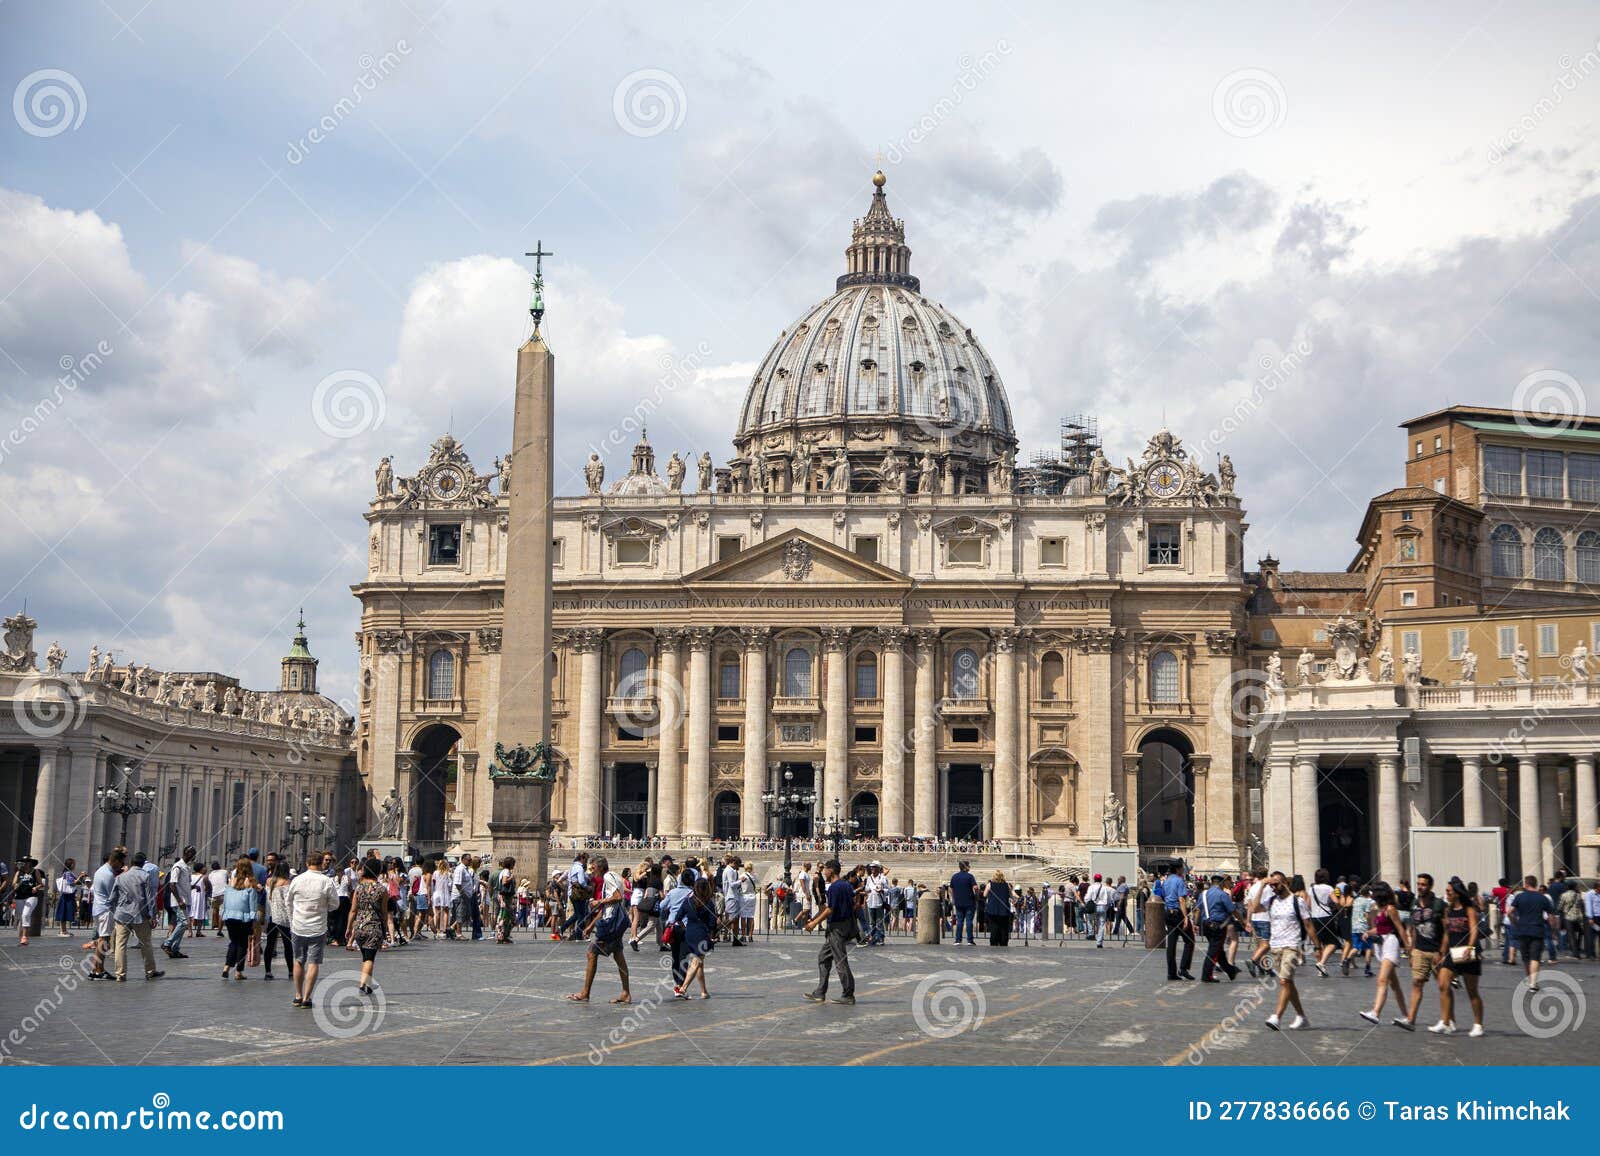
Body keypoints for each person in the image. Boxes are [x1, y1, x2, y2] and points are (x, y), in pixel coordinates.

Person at [1255, 870, 1312, 1030]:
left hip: (1292, 945)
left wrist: (1318, 946)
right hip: (1276, 945)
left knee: (1284, 981)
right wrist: (1261, 886)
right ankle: (1302, 1016)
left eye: (1276, 884)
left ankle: (1276, 1017)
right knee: (1288, 983)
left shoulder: (1297, 901)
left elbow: (1308, 924)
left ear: (1285, 883)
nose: (1274, 887)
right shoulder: (1271, 900)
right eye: (1271, 885)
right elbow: (1255, 908)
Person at [568, 856, 630, 1003]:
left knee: (591, 953)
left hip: (610, 923)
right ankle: (626, 993)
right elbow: (609, 906)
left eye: (593, 868)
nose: (591, 871)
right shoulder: (614, 876)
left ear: (600, 867)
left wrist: (598, 901)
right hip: (615, 921)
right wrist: (590, 925)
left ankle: (585, 992)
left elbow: (617, 897)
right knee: (619, 956)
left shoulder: (608, 877)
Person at [285, 850, 339, 1009]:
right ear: (322, 863)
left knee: (298, 960)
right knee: (314, 962)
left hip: (298, 926)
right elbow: (335, 904)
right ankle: (307, 998)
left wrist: (292, 919)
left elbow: (288, 901)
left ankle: (297, 995)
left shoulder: (297, 880)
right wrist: (324, 907)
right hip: (318, 927)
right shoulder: (326, 881)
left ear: (308, 863)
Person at [1435, 877, 1485, 1037]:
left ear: (1457, 893)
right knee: (1443, 985)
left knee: (1472, 991)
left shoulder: (1468, 909)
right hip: (1452, 952)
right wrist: (1441, 952)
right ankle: (1446, 1022)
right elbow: (1447, 934)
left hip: (1467, 953)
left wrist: (1470, 946)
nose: (1447, 894)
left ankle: (1478, 1024)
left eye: (1449, 891)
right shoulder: (1448, 910)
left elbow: (1474, 930)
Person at [1359, 881, 1412, 1028]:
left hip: (1390, 943)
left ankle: (1375, 1013)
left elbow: (1400, 929)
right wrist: (1368, 932)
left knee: (1381, 980)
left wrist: (1408, 947)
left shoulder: (1390, 909)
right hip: (1381, 945)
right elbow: (1379, 929)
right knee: (1394, 985)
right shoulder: (1379, 909)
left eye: (1373, 892)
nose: (1371, 895)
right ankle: (1407, 1017)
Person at [803, 860, 856, 1005]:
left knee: (840, 960)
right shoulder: (846, 885)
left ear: (831, 871)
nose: (823, 872)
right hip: (845, 925)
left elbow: (830, 909)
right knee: (823, 957)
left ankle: (848, 994)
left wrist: (813, 923)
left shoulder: (834, 887)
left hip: (837, 928)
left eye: (825, 869)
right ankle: (820, 992)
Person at [1398, 873, 1445, 1030]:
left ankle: (1447, 1020)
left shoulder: (1438, 904)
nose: (1420, 887)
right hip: (1419, 949)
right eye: (1418, 884)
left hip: (1436, 950)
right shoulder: (1414, 903)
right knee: (1417, 983)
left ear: (1430, 886)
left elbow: (1446, 930)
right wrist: (1410, 950)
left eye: (1423, 884)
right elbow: (1412, 928)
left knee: (1443, 986)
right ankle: (1411, 1019)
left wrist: (1442, 951)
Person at [109, 852, 164, 981]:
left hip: (122, 915)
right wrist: (153, 915)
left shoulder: (120, 877)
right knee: (146, 943)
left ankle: (120, 974)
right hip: (141, 915)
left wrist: (116, 909)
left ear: (131, 863)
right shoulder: (145, 876)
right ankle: (150, 971)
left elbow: (112, 898)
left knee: (120, 944)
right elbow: (150, 899)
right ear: (143, 864)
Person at [344, 859, 394, 995]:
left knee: (365, 956)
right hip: (374, 926)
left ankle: (367, 982)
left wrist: (349, 928)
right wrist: (384, 930)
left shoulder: (359, 888)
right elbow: (384, 913)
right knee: (369, 958)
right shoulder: (382, 889)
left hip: (359, 926)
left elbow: (353, 910)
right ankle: (363, 984)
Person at [1507, 874, 1554, 992]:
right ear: (1535, 884)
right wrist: (1553, 929)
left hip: (1522, 930)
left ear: (1526, 884)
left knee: (1526, 958)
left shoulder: (1519, 897)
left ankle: (1529, 979)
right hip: (1537, 930)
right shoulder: (1543, 898)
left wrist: (1515, 922)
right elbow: (1550, 916)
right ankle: (1533, 983)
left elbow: (1509, 912)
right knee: (1535, 957)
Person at [674, 874, 717, 1000]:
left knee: (699, 963)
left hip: (689, 932)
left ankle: (704, 991)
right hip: (702, 934)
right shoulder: (709, 903)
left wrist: (684, 927)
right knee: (697, 961)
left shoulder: (687, 901)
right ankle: (683, 988)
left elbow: (678, 918)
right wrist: (712, 936)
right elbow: (712, 923)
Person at [220, 857, 260, 981]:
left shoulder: (232, 881)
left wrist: (224, 913)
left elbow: (226, 899)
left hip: (230, 916)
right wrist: (254, 920)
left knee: (233, 942)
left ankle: (226, 967)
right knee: (242, 944)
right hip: (244, 917)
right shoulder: (250, 882)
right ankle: (238, 972)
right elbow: (252, 903)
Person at [1156, 863, 1195, 980]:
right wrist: (1186, 917)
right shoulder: (1179, 881)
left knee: (1171, 944)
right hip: (1178, 913)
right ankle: (1183, 968)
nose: (1183, 870)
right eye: (1182, 868)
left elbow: (1163, 896)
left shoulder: (1166, 881)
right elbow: (1181, 899)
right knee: (1189, 940)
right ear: (1178, 869)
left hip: (1168, 913)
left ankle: (1171, 972)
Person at [1198, 874, 1240, 981]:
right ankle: (1206, 975)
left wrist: (1194, 923)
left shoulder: (1203, 894)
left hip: (1205, 925)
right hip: (1218, 926)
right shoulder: (1222, 895)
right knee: (1213, 951)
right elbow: (1233, 910)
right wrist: (1243, 921)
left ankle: (1230, 971)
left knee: (1219, 951)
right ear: (1221, 883)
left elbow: (1198, 910)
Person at [86, 850, 120, 979]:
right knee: (104, 940)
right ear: (115, 861)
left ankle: (97, 969)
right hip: (106, 909)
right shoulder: (108, 874)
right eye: (120, 863)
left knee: (101, 939)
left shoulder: (100, 871)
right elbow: (113, 895)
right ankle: (97, 970)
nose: (120, 866)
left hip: (98, 908)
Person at [1306, 868, 1340, 977]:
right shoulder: (1329, 888)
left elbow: (1307, 905)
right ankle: (1321, 963)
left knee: (1318, 944)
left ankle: (1321, 970)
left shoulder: (1311, 889)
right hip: (1326, 917)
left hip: (1314, 918)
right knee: (1333, 943)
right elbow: (1336, 901)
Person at [161, 846, 194, 959]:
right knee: (184, 923)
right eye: (192, 854)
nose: (193, 856)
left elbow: (184, 884)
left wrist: (192, 887)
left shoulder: (186, 868)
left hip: (186, 900)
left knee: (184, 926)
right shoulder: (177, 866)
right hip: (179, 901)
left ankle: (175, 950)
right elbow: (172, 885)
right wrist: (179, 900)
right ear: (187, 853)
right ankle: (167, 943)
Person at [263, 860, 294, 980]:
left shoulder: (269, 881)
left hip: (271, 917)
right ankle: (291, 971)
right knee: (288, 945)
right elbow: (288, 903)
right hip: (283, 918)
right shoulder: (287, 882)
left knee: (270, 945)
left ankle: (268, 971)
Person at [11, 858, 44, 945]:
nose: (24, 864)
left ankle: (24, 937)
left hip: (31, 896)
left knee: (26, 914)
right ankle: (22, 935)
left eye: (26, 862)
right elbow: (13, 883)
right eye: (23, 862)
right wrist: (16, 885)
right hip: (20, 896)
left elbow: (41, 883)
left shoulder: (35, 871)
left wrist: (35, 888)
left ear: (30, 863)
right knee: (20, 915)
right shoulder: (19, 872)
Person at [948, 859, 977, 946]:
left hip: (958, 902)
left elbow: (950, 888)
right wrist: (976, 894)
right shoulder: (970, 876)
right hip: (969, 901)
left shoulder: (954, 876)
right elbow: (975, 887)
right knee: (969, 921)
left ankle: (958, 940)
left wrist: (953, 897)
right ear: (966, 867)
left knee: (959, 921)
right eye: (969, 865)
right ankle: (970, 940)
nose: (970, 867)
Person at [984, 870, 1013, 947]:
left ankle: (994, 941)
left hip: (992, 909)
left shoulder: (990, 884)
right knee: (1003, 927)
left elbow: (984, 894)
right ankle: (1003, 942)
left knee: (994, 927)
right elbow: (1011, 896)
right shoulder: (1007, 885)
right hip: (1004, 909)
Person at [494, 856, 518, 944]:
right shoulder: (506, 871)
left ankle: (504, 936)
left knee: (509, 918)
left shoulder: (505, 871)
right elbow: (504, 882)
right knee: (505, 917)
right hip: (505, 897)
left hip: (506, 897)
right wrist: (511, 878)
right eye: (513, 863)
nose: (514, 865)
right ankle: (501, 937)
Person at [53, 859, 77, 937]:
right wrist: (80, 876)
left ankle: (63, 930)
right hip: (67, 896)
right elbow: (71, 883)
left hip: (67, 896)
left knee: (65, 912)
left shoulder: (68, 873)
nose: (75, 865)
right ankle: (63, 931)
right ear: (71, 865)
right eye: (74, 864)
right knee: (64, 912)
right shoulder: (68, 873)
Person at [206, 860, 227, 935]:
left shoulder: (210, 874)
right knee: (222, 911)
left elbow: (210, 884)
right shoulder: (224, 872)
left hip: (214, 894)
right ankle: (220, 928)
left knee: (215, 909)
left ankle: (215, 925)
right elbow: (227, 881)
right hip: (223, 893)